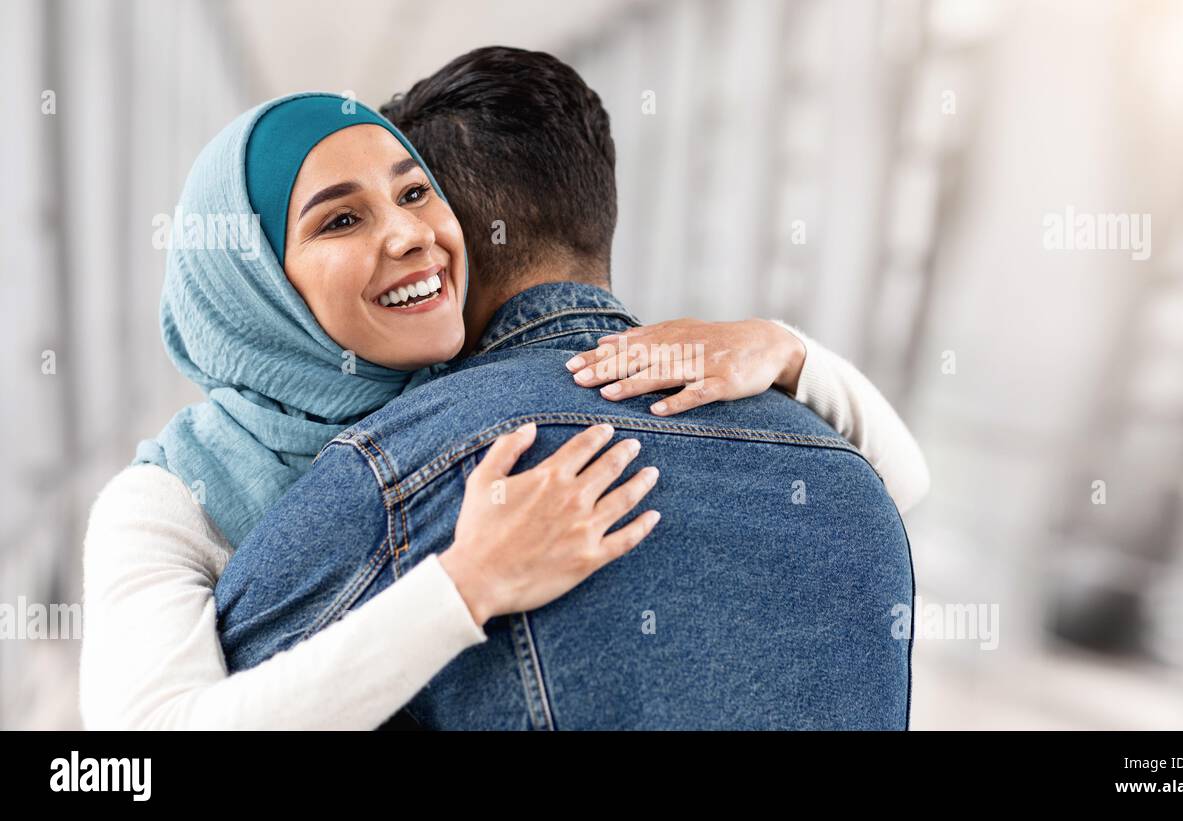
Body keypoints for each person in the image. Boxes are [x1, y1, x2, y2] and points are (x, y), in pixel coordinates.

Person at [212, 48, 929, 730]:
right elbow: (909, 480)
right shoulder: (854, 479)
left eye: (412, 197)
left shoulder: (394, 471)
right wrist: (789, 350)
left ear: (447, 235)